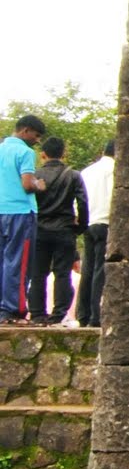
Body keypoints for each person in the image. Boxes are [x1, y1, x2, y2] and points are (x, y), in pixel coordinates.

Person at [27, 137, 89, 325]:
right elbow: (83, 202)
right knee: (62, 273)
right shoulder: (73, 175)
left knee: (38, 273)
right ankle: (59, 314)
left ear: (43, 154)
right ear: (64, 153)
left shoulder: (35, 175)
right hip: (64, 229)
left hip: (39, 229)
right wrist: (81, 226)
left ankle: (37, 314)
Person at [0, 115, 49, 322]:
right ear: (25, 131)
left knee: (3, 260)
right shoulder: (25, 152)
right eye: (36, 136)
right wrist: (40, 185)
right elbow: (27, 184)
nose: (37, 141)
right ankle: (14, 310)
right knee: (18, 262)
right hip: (20, 212)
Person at [76, 139, 114, 328]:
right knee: (101, 269)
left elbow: (79, 199)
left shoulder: (87, 171)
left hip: (88, 221)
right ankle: (96, 315)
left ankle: (83, 314)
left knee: (87, 269)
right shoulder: (115, 170)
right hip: (106, 222)